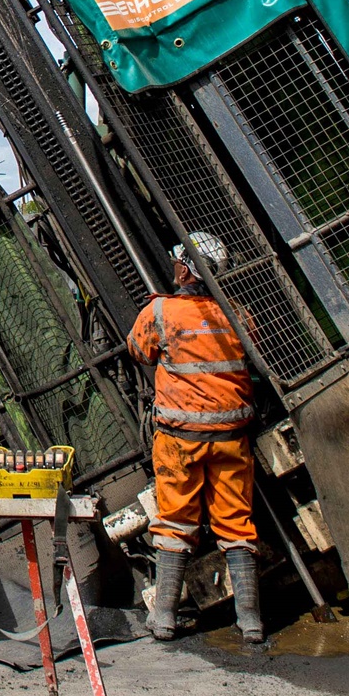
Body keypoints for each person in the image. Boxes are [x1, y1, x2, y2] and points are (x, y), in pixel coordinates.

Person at [125, 233, 264, 644]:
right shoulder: (237, 312)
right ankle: (251, 621)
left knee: (175, 524)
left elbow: (137, 350)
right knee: (237, 524)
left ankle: (165, 617)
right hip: (231, 439)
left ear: (185, 268)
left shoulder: (161, 311)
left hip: (180, 441)